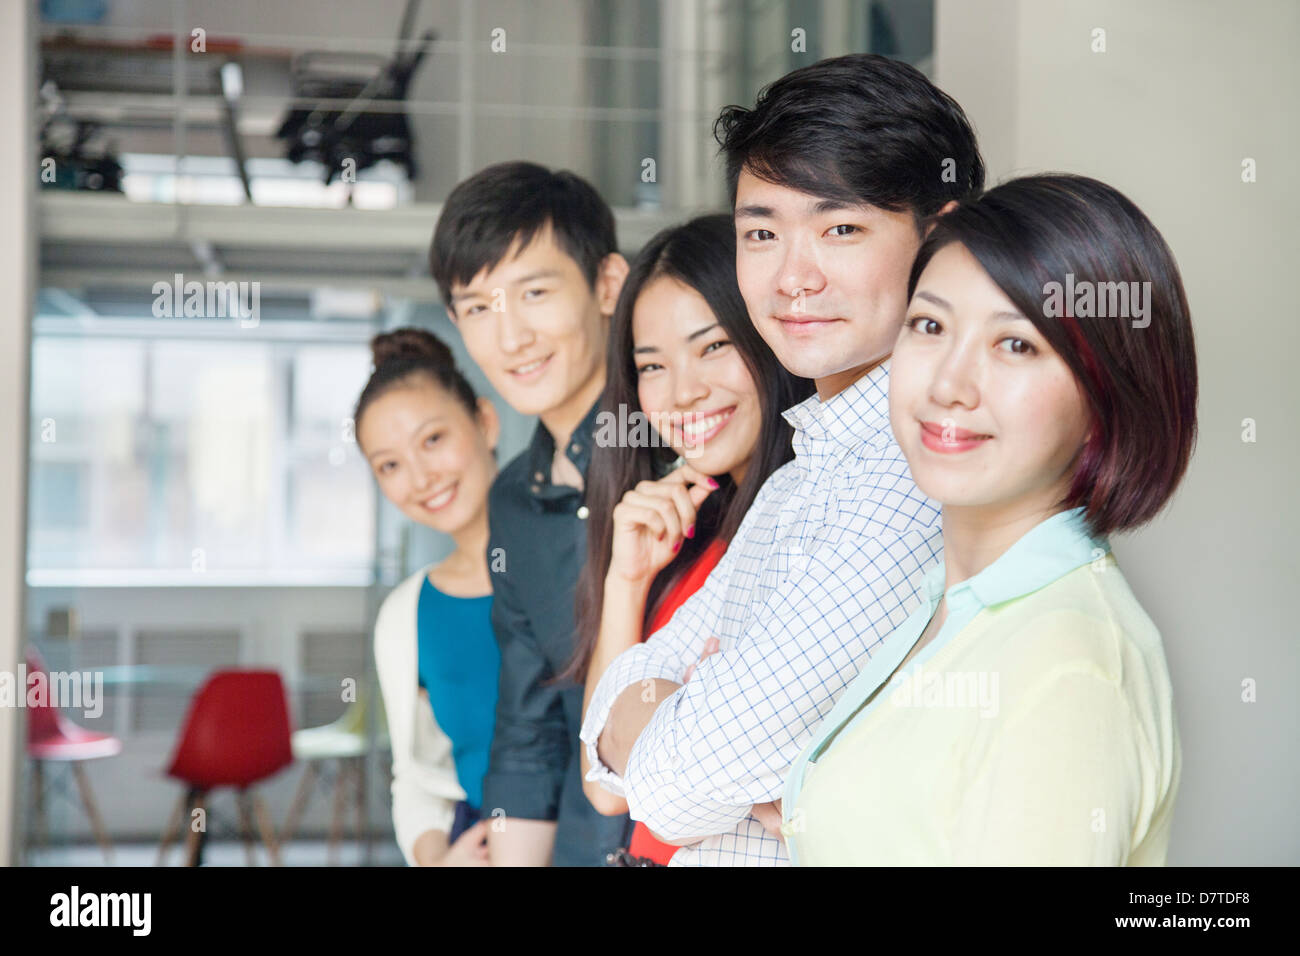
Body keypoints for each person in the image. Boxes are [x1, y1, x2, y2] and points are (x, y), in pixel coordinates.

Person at [580, 53, 984, 865]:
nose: (792, 277)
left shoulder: (916, 478)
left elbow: (669, 785)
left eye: (840, 228)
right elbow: (604, 749)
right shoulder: (802, 473)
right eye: (761, 233)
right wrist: (669, 721)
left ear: (937, 238)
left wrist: (667, 721)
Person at [781, 174, 1196, 865]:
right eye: (930, 326)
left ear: (1108, 390)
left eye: (1016, 345)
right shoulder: (952, 603)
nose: (948, 383)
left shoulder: (1067, 668)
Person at [564, 214, 813, 864]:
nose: (682, 393)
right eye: (652, 366)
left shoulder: (807, 527)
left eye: (713, 346)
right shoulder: (687, 533)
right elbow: (603, 788)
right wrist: (627, 579)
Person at [429, 161, 631, 866]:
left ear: (608, 285)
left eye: (534, 293)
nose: (510, 338)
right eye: (479, 308)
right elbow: (529, 729)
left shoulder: (694, 445)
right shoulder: (513, 502)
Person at [355, 327, 503, 867]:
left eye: (433, 440)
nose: (420, 477)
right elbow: (415, 778)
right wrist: (439, 862)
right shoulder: (407, 614)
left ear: (484, 422)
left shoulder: (586, 557)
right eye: (389, 465)